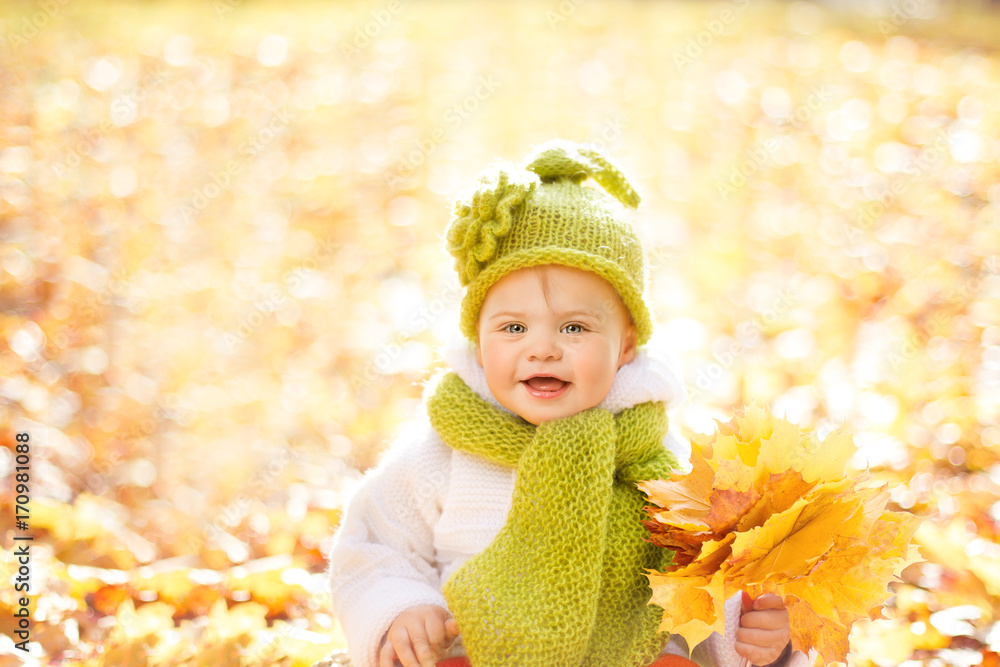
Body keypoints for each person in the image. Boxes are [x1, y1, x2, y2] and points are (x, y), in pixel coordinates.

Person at [327, 140, 805, 667]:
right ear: (478, 341)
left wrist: (762, 632)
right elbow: (375, 547)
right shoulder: (441, 450)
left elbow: (707, 581)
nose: (542, 347)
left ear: (625, 345)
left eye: (574, 327)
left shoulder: (662, 458)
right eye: (513, 327)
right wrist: (402, 610)